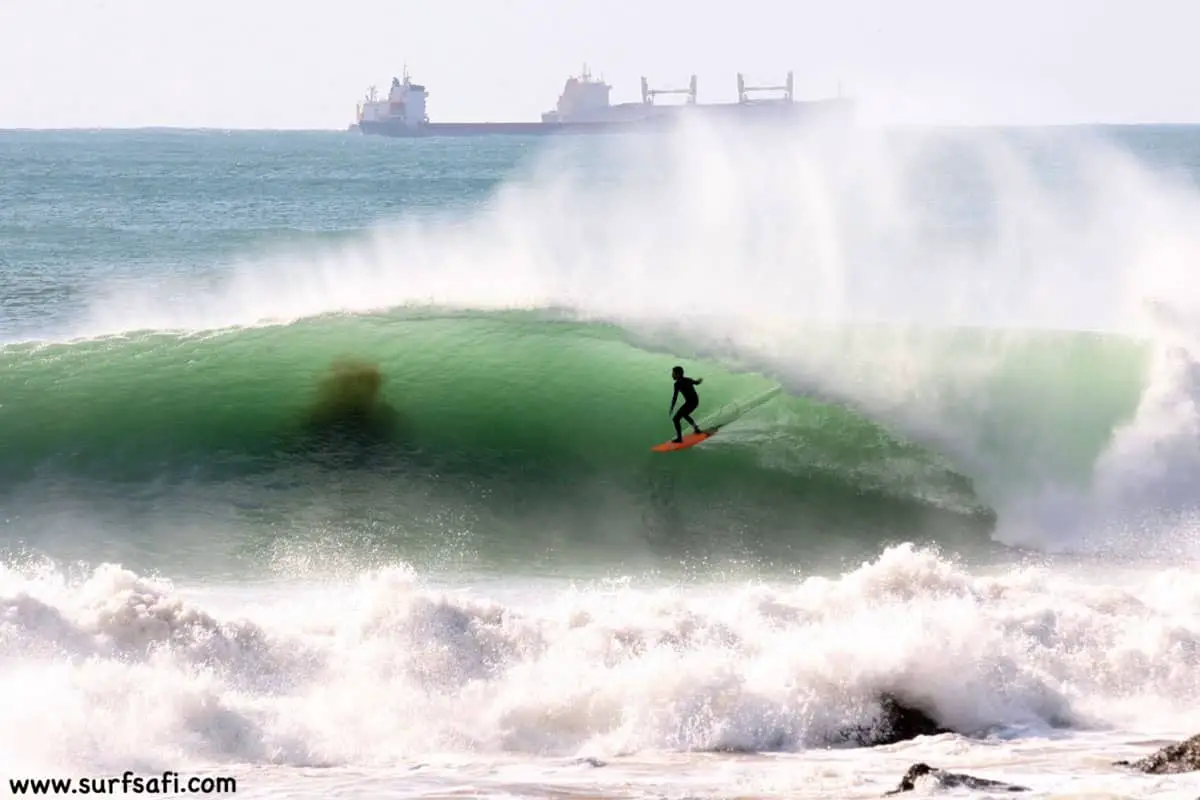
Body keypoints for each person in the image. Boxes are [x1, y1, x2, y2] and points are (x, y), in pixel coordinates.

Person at [668, 365, 704, 443]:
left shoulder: (677, 384)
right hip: (694, 401)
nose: (672, 375)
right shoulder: (688, 380)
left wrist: (671, 408)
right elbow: (696, 383)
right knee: (684, 415)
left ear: (677, 374)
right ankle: (696, 429)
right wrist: (699, 380)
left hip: (691, 402)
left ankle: (680, 439)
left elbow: (675, 397)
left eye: (673, 373)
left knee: (675, 419)